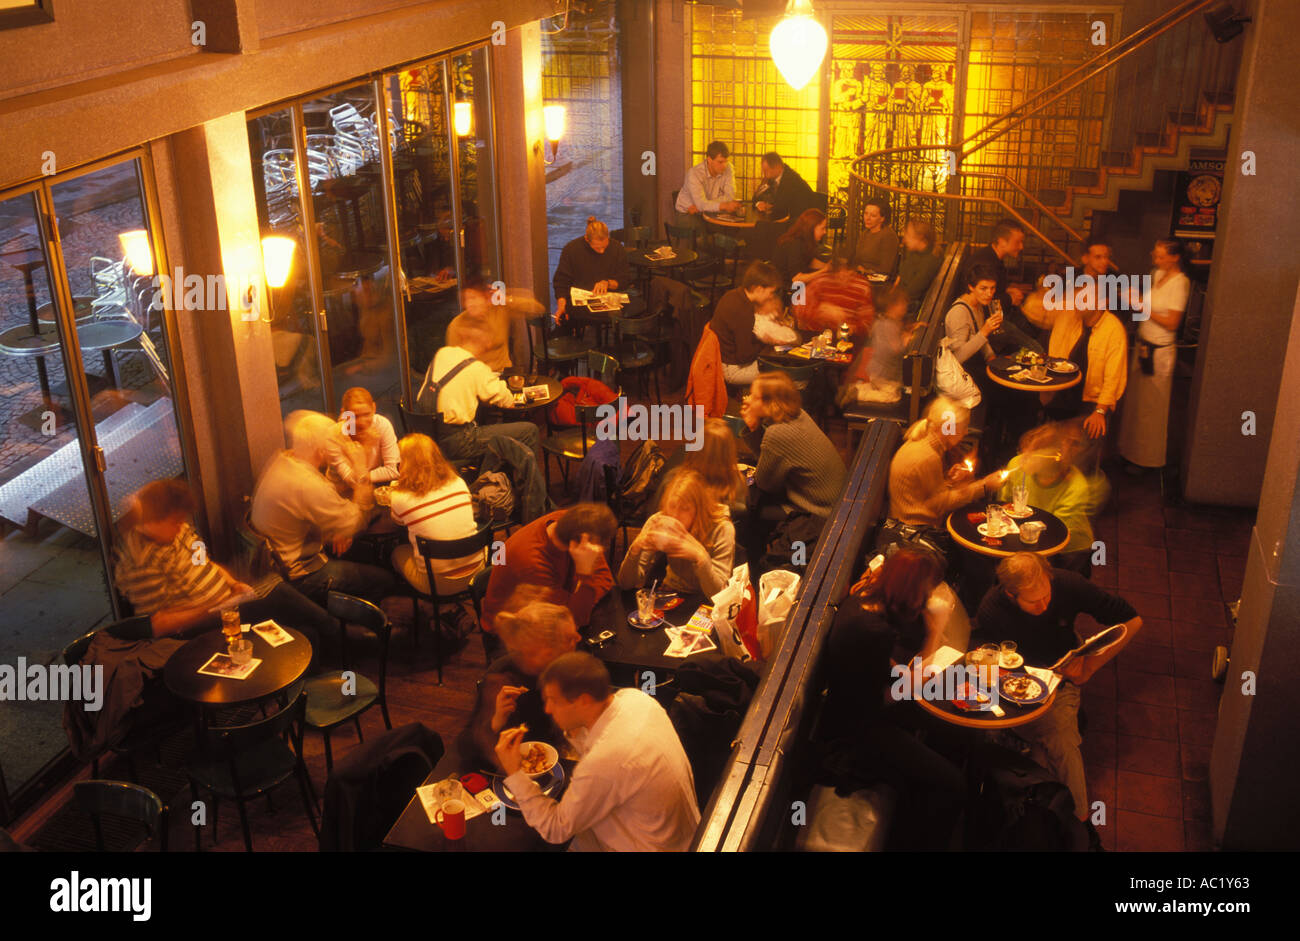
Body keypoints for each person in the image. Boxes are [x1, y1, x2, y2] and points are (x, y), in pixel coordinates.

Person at [974, 552, 1143, 822]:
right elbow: (1003, 674)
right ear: (1010, 594)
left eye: (1047, 595)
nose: (1044, 605)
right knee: (1049, 745)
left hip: (1065, 669)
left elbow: (1132, 621)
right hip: (1022, 682)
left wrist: (1089, 666)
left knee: (1059, 741)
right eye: (1033, 602)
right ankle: (1058, 821)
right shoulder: (991, 611)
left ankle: (1080, 824)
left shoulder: (1069, 583)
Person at [823, 546, 965, 850]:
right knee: (953, 784)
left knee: (958, 722)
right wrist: (934, 634)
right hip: (860, 727)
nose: (929, 597)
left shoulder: (863, 595)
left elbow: (876, 666)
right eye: (927, 590)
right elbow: (887, 699)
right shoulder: (875, 631)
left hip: (859, 701)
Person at [495, 652, 700, 851]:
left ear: (583, 700)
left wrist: (515, 773)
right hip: (690, 834)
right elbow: (600, 751)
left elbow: (556, 829)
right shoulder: (636, 699)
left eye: (553, 700)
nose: (547, 709)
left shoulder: (607, 760)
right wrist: (573, 729)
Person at [114, 479, 334, 656]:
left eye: (182, 520)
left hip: (228, 603)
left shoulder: (179, 531)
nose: (182, 525)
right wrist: (212, 606)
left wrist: (233, 583)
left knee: (306, 633)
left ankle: (315, 674)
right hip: (202, 624)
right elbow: (159, 624)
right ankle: (340, 630)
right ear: (151, 521)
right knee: (276, 589)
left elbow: (205, 563)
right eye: (175, 521)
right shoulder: (141, 562)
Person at [250, 411, 396, 605]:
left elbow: (320, 511)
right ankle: (358, 627)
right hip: (300, 575)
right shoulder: (306, 483)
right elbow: (353, 522)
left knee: (354, 550)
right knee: (385, 580)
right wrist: (360, 467)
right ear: (321, 450)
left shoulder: (282, 463)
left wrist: (335, 526)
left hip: (276, 564)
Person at [417, 321, 549, 522]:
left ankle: (504, 488)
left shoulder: (443, 353)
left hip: (428, 438)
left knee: (498, 435)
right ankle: (528, 506)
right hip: (457, 440)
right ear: (483, 343)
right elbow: (504, 399)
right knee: (529, 430)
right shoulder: (477, 368)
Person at [460, 594, 580, 771]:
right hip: (523, 767)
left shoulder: (561, 666)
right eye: (570, 638)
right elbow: (467, 748)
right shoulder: (502, 679)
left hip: (558, 750)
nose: (579, 639)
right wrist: (497, 720)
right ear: (546, 652)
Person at [739, 371, 847, 568]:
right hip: (835, 502)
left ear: (768, 403)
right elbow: (773, 460)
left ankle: (754, 569)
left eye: (754, 396)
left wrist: (754, 429)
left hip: (817, 513)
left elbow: (765, 483)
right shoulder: (798, 415)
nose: (747, 399)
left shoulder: (777, 433)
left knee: (751, 516)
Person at [480, 503, 616, 633]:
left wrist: (582, 599)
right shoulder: (532, 562)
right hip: (509, 629)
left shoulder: (572, 524)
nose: (599, 551)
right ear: (579, 542)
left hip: (549, 608)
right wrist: (585, 572)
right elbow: (573, 620)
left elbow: (605, 578)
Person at [1119, 238, 1190, 472]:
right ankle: (1128, 452)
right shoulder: (1156, 273)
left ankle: (1147, 460)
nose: (1155, 258)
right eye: (1155, 254)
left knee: (1153, 408)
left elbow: (1172, 323)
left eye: (1160, 255)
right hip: (1143, 344)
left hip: (1160, 350)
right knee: (1135, 405)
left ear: (1174, 257)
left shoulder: (1181, 283)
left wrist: (1142, 307)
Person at [886, 397, 1003, 533]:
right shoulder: (928, 457)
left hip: (906, 522)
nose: (966, 432)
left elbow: (926, 494)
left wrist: (949, 480)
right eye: (964, 427)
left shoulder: (923, 442)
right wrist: (983, 486)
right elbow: (940, 504)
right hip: (916, 530)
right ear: (947, 427)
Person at [387, 433, 484, 595]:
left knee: (397, 552)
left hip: (437, 584)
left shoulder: (399, 497)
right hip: (478, 572)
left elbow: (398, 522)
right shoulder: (458, 481)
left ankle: (421, 604)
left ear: (405, 463)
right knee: (498, 546)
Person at [617, 469, 735, 597]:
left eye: (685, 509)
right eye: (672, 506)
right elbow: (625, 584)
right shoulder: (659, 521)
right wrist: (635, 550)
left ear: (699, 509)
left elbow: (721, 597)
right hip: (671, 591)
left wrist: (701, 557)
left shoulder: (722, 529)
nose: (675, 515)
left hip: (705, 600)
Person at [999, 423, 1097, 574]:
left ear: (1052, 458)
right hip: (1030, 539)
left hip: (1069, 551)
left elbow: (1056, 533)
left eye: (1032, 454)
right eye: (1023, 450)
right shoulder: (1017, 466)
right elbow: (1004, 505)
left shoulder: (1076, 486)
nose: (1023, 458)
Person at [1043, 284, 1128, 440]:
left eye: (1086, 297)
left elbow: (1113, 378)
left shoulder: (1114, 330)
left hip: (1091, 401)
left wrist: (1100, 411)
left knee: (1074, 446)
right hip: (1064, 393)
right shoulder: (1072, 317)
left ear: (1102, 303)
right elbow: (1041, 314)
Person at [964, 218, 1043, 348]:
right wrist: (1010, 298)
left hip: (996, 316)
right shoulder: (984, 263)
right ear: (1002, 242)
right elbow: (983, 302)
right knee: (1036, 348)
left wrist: (1007, 291)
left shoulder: (993, 258)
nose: (1021, 247)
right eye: (1018, 242)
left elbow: (995, 291)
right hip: (984, 322)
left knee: (1034, 327)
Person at [708, 260, 782, 386]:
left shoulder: (735, 294)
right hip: (733, 369)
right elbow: (744, 356)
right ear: (759, 289)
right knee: (784, 374)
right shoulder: (742, 311)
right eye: (770, 292)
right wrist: (766, 341)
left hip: (725, 359)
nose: (771, 297)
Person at [552, 217, 634, 327]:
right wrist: (561, 305)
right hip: (581, 305)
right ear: (587, 239)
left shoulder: (617, 248)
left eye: (605, 247)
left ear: (608, 237)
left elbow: (625, 279)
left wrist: (608, 283)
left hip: (609, 301)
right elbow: (561, 282)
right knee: (564, 323)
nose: (602, 251)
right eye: (597, 248)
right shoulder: (571, 249)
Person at [327, 387, 399, 490]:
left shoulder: (382, 425)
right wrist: (366, 446)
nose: (362, 422)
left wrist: (363, 476)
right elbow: (352, 481)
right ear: (344, 413)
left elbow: (393, 470)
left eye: (367, 414)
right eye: (355, 416)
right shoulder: (334, 436)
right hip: (340, 491)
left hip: (371, 487)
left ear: (374, 408)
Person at [793, 253, 874, 336]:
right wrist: (819, 311)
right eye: (838, 271)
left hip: (847, 339)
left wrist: (852, 328)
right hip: (816, 336)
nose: (842, 274)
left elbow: (867, 323)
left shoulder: (862, 287)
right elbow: (797, 309)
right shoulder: (822, 281)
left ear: (854, 270)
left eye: (848, 270)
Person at [446, 280, 513, 373]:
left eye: (474, 298)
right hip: (475, 377)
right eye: (466, 299)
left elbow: (536, 309)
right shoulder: (457, 324)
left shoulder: (499, 312)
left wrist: (506, 299)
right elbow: (452, 363)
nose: (470, 304)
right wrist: (471, 350)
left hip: (503, 373)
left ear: (486, 298)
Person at [674, 140, 741, 229]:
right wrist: (723, 205)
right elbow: (702, 204)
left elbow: (730, 196)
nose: (724, 166)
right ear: (709, 160)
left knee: (731, 229)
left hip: (708, 212)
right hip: (687, 214)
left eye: (726, 161)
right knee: (704, 232)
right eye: (720, 162)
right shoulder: (695, 173)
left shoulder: (728, 168)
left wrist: (705, 205)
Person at [772, 208, 829, 289]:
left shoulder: (805, 240)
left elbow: (809, 261)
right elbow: (796, 279)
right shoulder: (795, 244)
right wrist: (824, 271)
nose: (825, 232)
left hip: (794, 284)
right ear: (811, 228)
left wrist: (827, 266)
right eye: (822, 228)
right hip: (786, 289)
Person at [895, 219, 942, 315]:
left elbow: (912, 292)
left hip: (911, 307)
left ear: (920, 237)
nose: (904, 239)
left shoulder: (931, 260)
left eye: (908, 235)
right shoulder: (914, 252)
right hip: (901, 299)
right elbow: (901, 276)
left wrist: (890, 300)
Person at [752, 151, 817, 220]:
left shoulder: (792, 179)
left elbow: (785, 206)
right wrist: (759, 203)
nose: (764, 174)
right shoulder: (771, 179)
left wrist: (769, 207)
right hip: (780, 218)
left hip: (799, 220)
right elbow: (755, 198)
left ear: (777, 167)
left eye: (766, 170)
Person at [851, 198, 899, 277]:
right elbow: (856, 259)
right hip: (861, 275)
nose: (867, 218)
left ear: (882, 218)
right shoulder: (865, 233)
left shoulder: (889, 236)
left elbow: (886, 268)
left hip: (878, 280)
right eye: (866, 213)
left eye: (873, 215)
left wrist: (865, 271)